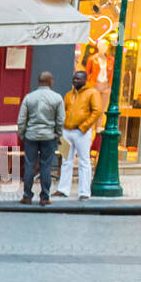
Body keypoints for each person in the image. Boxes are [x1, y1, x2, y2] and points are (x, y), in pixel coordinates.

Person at [16, 71, 65, 206]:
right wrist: (58, 134)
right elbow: (60, 120)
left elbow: (21, 119)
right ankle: (44, 197)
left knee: (29, 165)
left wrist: (22, 134)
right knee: (46, 166)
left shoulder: (29, 98)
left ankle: (27, 196)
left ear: (39, 82)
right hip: (49, 136)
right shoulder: (57, 98)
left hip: (31, 135)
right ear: (51, 81)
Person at [57, 69, 101, 201]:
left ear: (84, 80)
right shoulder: (68, 95)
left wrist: (84, 127)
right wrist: (62, 126)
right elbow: (63, 110)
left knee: (84, 162)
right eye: (74, 78)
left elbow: (97, 111)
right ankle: (63, 190)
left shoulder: (92, 93)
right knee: (65, 161)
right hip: (66, 131)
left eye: (78, 79)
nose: (75, 81)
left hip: (82, 132)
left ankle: (84, 192)